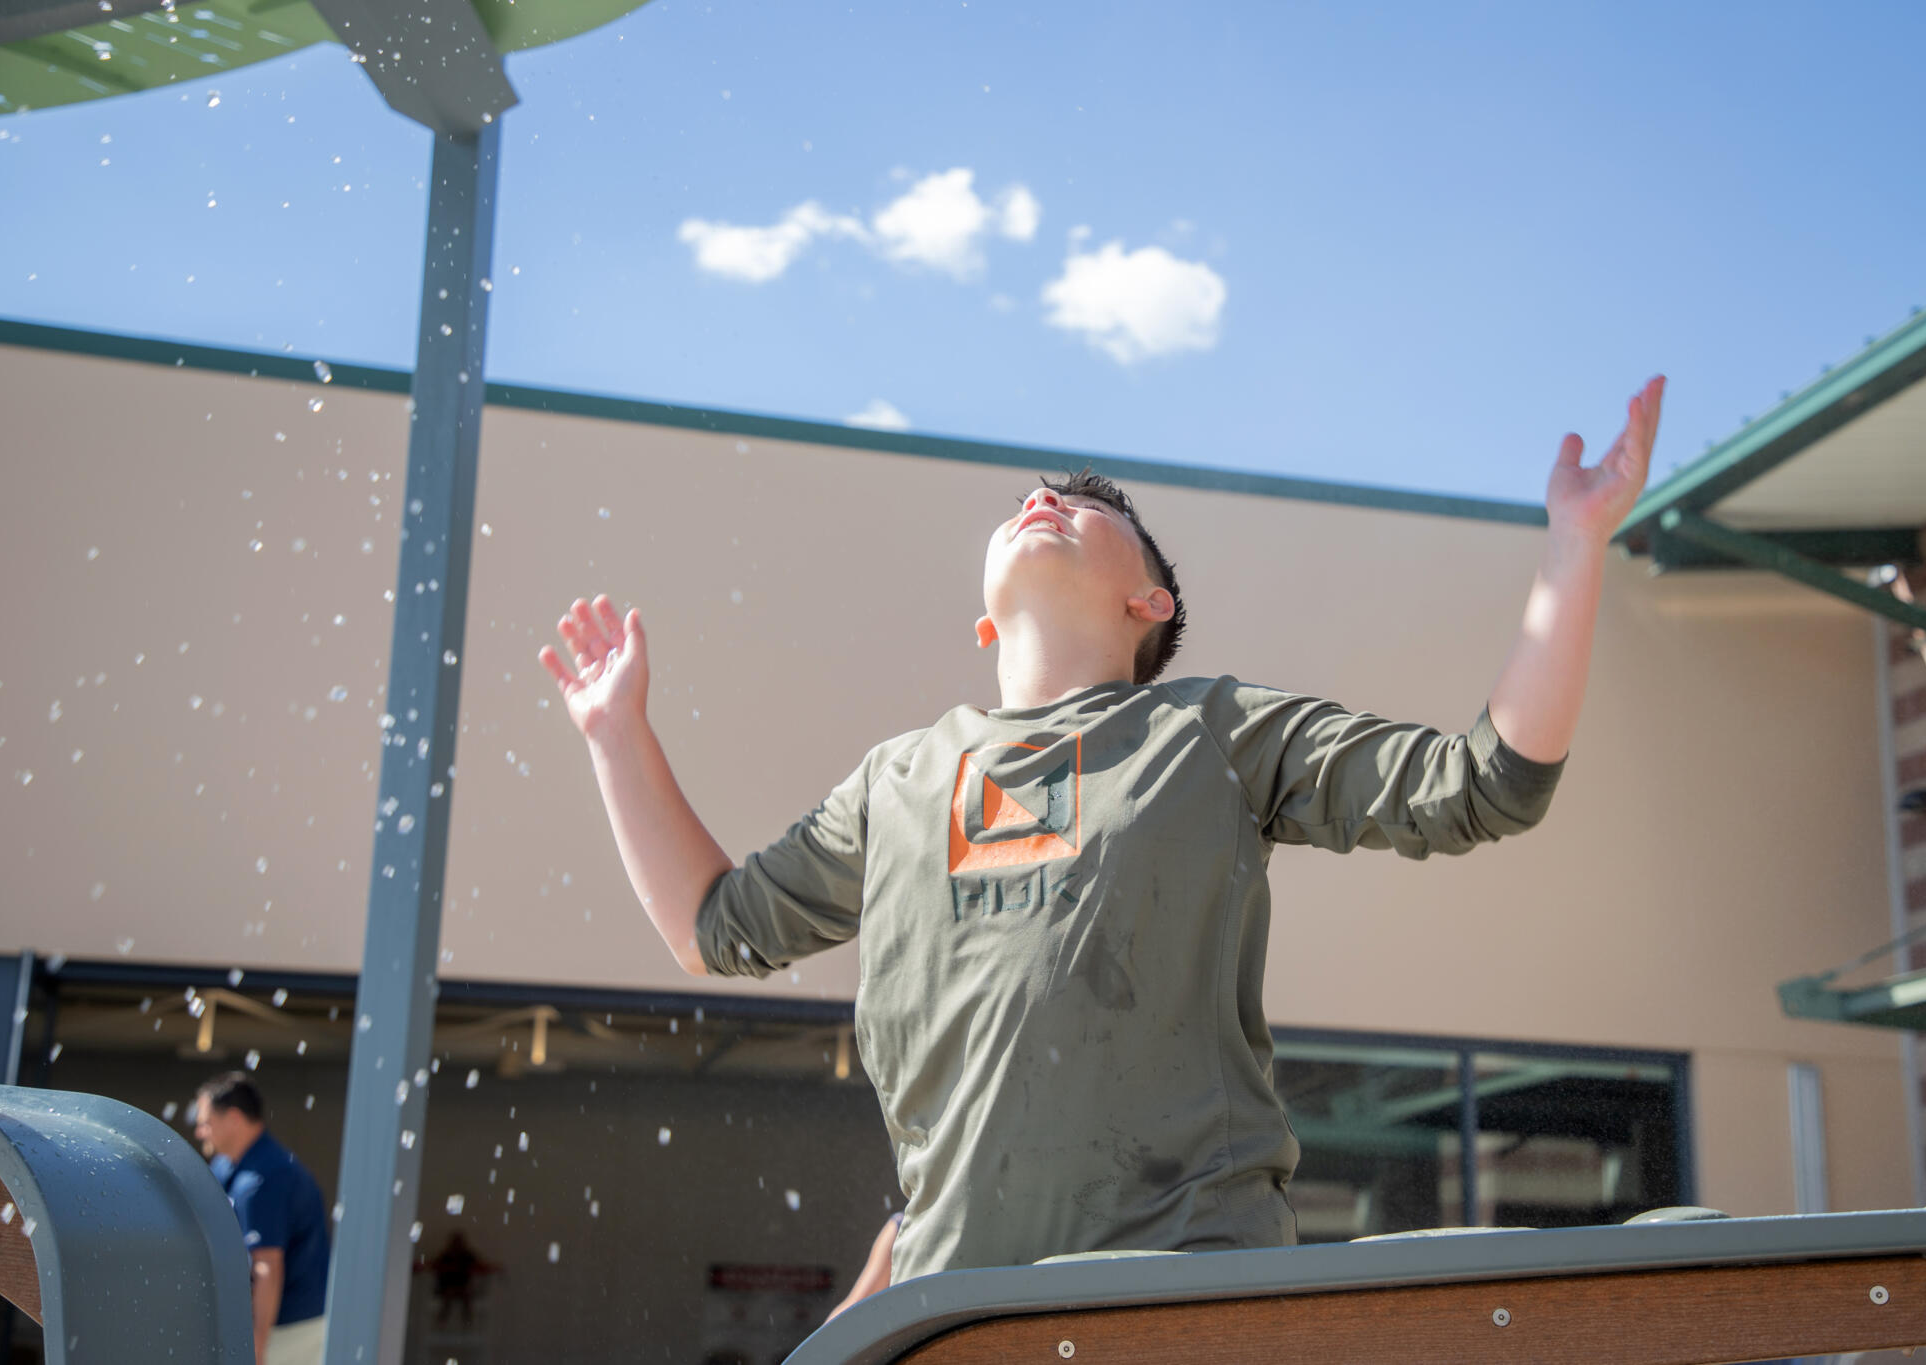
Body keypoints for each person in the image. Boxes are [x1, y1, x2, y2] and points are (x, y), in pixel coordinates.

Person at [539, 378, 1664, 1285]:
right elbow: (713, 926)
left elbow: (1485, 782)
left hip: (1181, 1294)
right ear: (983, 621)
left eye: (1090, 509)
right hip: (959, 1310)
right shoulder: (896, 782)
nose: (1046, 499)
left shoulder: (1211, 731)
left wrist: (1574, 544)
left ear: (1149, 604)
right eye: (1030, 500)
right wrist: (614, 736)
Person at [194, 1073, 331, 1365]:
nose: (199, 1132)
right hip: (266, 1323)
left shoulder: (266, 1176)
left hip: (291, 1327)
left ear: (233, 1118)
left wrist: (257, 1343)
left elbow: (267, 1266)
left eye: (206, 1122)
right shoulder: (226, 1166)